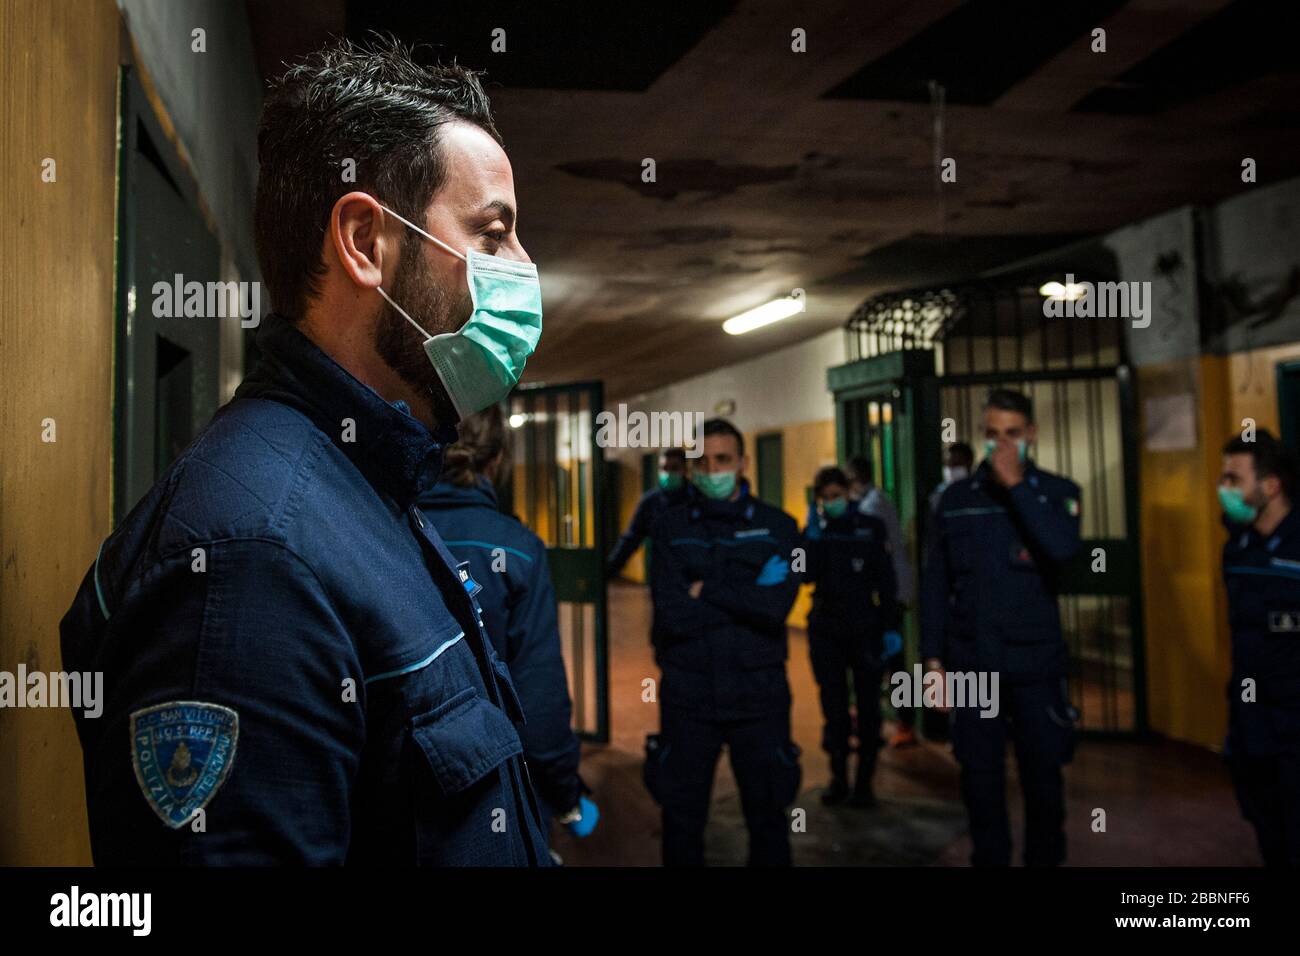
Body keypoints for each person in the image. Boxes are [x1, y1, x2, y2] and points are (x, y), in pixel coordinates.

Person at [59, 38, 551, 865]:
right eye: (493, 235)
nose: (524, 268)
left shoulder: (371, 481)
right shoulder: (249, 557)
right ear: (366, 241)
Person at [418, 405, 597, 842]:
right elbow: (540, 695)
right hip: (499, 781)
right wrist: (564, 790)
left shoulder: (385, 527)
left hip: (404, 787)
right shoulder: (517, 549)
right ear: (497, 459)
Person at [920, 388, 1081, 867]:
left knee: (1044, 782)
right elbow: (935, 584)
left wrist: (1017, 488)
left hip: (1036, 664)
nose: (1002, 445)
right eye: (992, 436)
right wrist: (932, 662)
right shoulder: (955, 500)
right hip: (973, 662)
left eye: (1012, 434)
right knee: (980, 781)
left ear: (1031, 434)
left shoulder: (1058, 493)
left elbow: (1063, 553)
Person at [644, 418, 802, 865]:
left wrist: (706, 589)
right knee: (682, 820)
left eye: (723, 460)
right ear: (691, 468)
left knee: (769, 819)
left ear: (744, 463)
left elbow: (777, 607)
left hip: (760, 699)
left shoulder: (781, 528)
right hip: (689, 699)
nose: (713, 470)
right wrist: (747, 592)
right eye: (703, 462)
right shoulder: (669, 528)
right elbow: (672, 615)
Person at [1219, 429, 1300, 866]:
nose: (1223, 489)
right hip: (1252, 724)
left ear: (1270, 486)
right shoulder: (1238, 550)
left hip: (1294, 724)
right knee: (1270, 837)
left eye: (1234, 479)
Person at [803, 466, 900, 806]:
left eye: (837, 496)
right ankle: (838, 778)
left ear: (848, 493)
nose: (832, 502)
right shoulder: (816, 531)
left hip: (864, 629)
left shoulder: (870, 528)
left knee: (869, 707)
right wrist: (811, 538)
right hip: (826, 629)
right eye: (825, 498)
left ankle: (864, 783)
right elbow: (804, 575)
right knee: (834, 709)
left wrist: (890, 626)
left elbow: (886, 581)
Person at [847, 454, 918, 747]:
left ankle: (900, 721)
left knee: (890, 661)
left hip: (886, 594)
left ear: (855, 479)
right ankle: (878, 719)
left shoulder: (872, 505)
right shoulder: (878, 500)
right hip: (888, 591)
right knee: (886, 660)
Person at [606, 447, 692, 579]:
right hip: (663, 578)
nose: (668, 473)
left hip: (693, 577)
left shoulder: (696, 500)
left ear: (685, 470)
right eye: (664, 468)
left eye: (674, 468)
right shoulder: (651, 502)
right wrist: (610, 569)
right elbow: (631, 538)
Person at [930, 442, 975, 514]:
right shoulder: (940, 492)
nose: (953, 468)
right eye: (950, 464)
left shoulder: (980, 490)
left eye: (958, 464)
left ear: (969, 462)